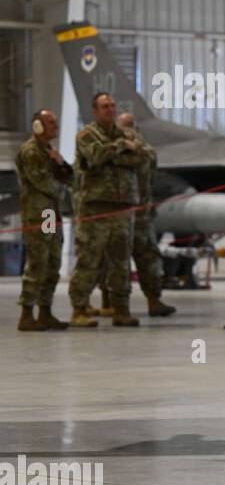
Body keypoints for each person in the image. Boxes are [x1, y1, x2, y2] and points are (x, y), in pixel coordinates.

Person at [67, 92, 147, 327]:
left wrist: (114, 153)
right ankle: (79, 309)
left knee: (121, 261)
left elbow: (141, 157)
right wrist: (122, 148)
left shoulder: (128, 132)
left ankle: (121, 308)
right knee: (89, 259)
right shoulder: (86, 135)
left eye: (112, 105)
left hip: (123, 207)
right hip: (96, 209)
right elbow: (95, 157)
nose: (110, 109)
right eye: (105, 106)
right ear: (95, 110)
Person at [95, 111, 175, 317]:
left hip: (141, 215)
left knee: (148, 257)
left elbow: (148, 163)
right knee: (112, 259)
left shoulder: (145, 151)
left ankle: (154, 300)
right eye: (124, 128)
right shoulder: (111, 150)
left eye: (132, 127)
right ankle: (110, 301)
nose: (129, 132)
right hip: (118, 214)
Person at [14, 110, 73, 332]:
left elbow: (71, 177)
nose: (55, 126)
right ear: (37, 125)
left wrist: (61, 164)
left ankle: (45, 312)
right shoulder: (31, 152)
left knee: (53, 263)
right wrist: (64, 191)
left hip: (51, 213)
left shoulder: (49, 151)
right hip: (41, 214)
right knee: (39, 262)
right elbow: (44, 183)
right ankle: (27, 314)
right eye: (50, 122)